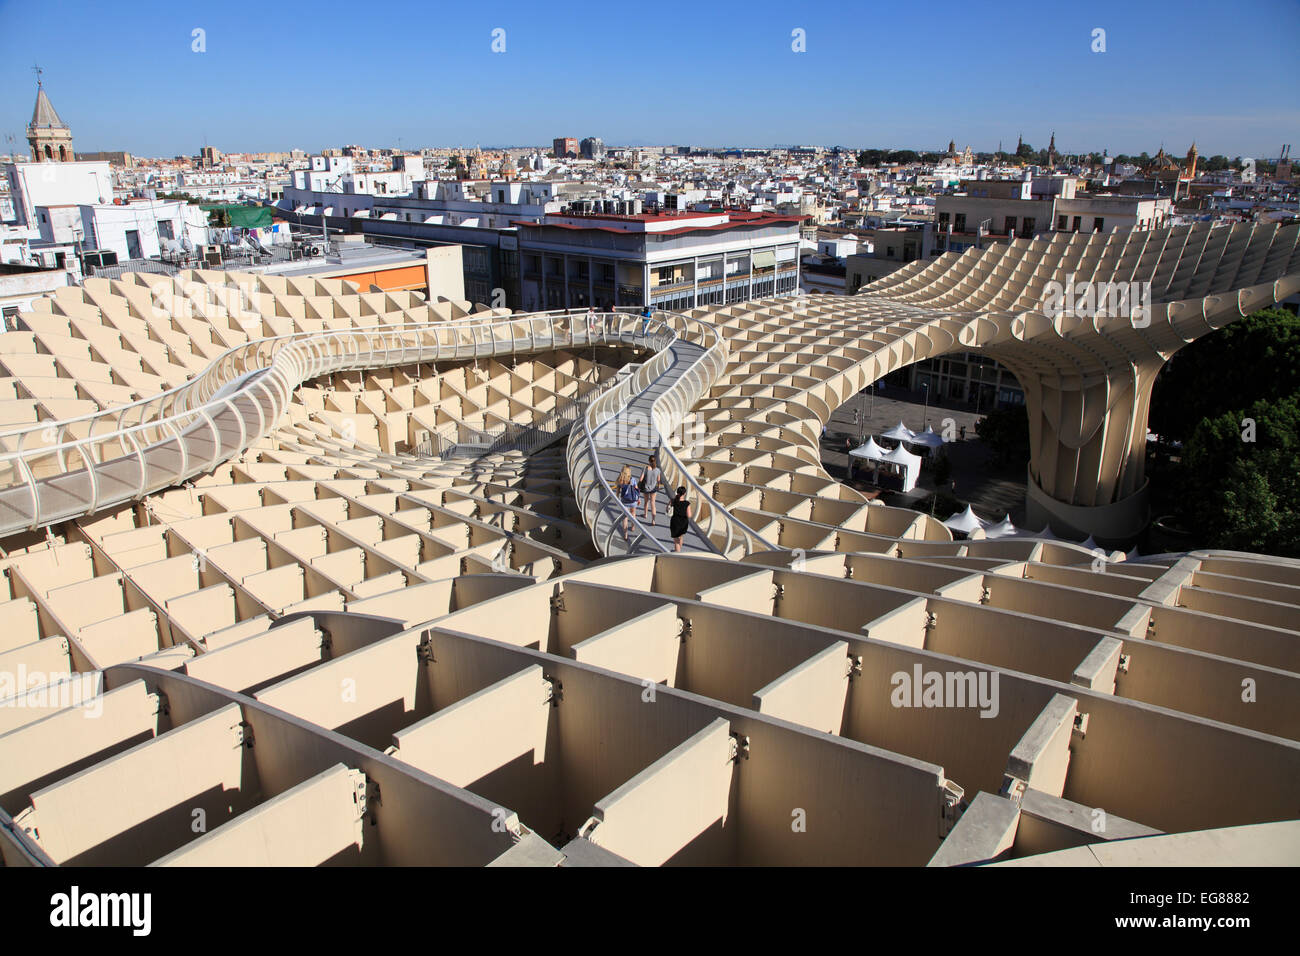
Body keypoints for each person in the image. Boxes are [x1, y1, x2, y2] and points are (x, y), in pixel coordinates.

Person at [615, 465, 640, 542]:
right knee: (633, 514)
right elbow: (636, 490)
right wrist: (638, 499)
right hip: (633, 500)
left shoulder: (620, 480)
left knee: (625, 517)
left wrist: (617, 498)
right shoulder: (633, 480)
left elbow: (618, 491)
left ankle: (625, 535)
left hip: (624, 500)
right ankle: (633, 527)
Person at [639, 454, 663, 525]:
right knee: (653, 503)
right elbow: (658, 480)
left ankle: (645, 514)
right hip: (653, 489)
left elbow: (641, 479)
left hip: (646, 488)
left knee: (646, 502)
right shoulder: (658, 470)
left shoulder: (646, 468)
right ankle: (653, 520)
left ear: (649, 461)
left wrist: (639, 485)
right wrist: (658, 486)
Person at [669, 486, 692, 552]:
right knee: (681, 537)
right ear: (684, 493)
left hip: (675, 522)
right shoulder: (687, 503)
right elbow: (689, 515)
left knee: (676, 541)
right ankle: (678, 551)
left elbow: (667, 509)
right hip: (683, 523)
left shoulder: (673, 500)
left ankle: (678, 553)